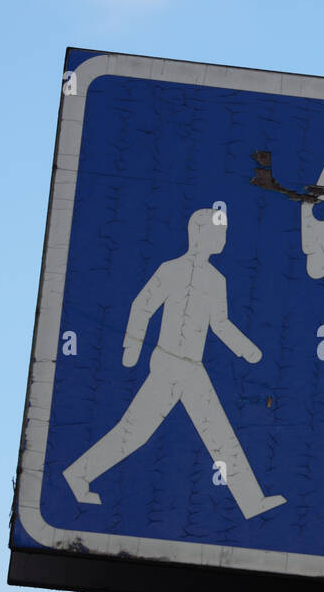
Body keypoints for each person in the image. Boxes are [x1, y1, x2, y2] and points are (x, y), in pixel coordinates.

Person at [63, 208, 286, 520]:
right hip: (168, 363)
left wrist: (247, 350)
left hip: (192, 367)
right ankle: (78, 475)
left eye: (224, 233)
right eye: (217, 232)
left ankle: (252, 502)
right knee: (137, 432)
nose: (223, 238)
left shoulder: (216, 279)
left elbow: (220, 324)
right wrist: (133, 348)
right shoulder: (171, 270)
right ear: (198, 235)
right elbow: (142, 306)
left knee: (217, 436)